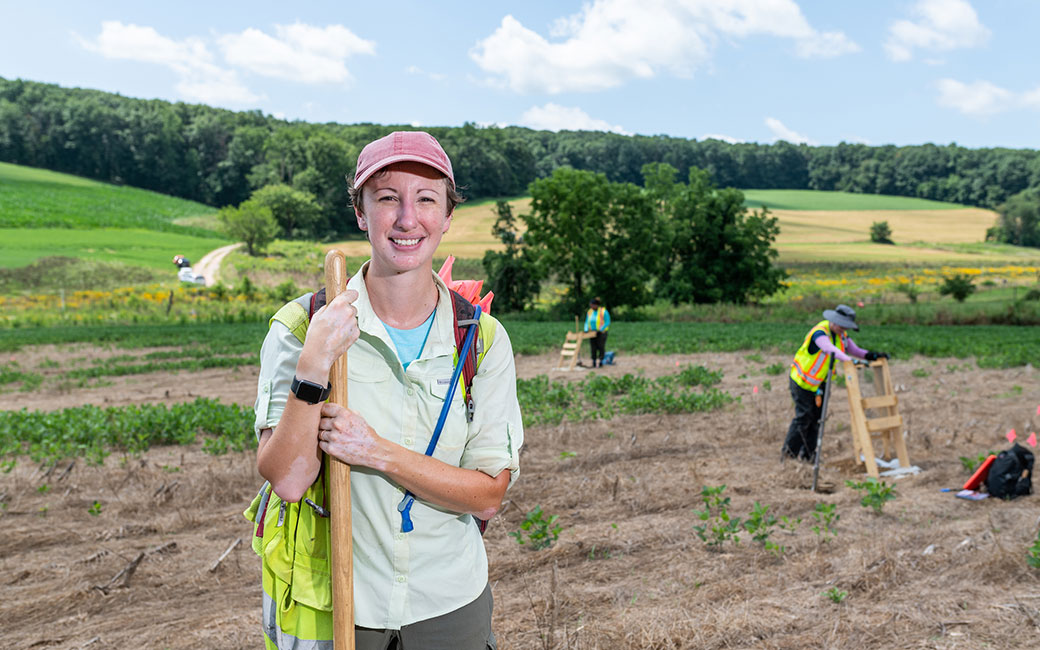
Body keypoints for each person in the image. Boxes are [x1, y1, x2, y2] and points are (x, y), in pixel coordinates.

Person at [251, 131, 524, 650]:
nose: (406, 218)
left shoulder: (481, 338)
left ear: (446, 216)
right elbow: (287, 480)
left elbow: (488, 496)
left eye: (426, 199)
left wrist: (374, 452)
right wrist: (314, 364)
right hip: (339, 607)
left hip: (450, 608)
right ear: (360, 213)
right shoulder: (301, 327)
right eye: (386, 198)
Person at [781, 304, 888, 462]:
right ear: (835, 321)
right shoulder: (820, 333)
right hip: (802, 382)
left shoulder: (842, 336)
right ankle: (789, 455)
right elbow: (830, 349)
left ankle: (808, 456)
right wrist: (849, 360)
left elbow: (855, 350)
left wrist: (872, 355)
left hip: (820, 384)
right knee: (803, 418)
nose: (844, 330)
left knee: (817, 419)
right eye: (843, 326)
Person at [583, 297, 611, 368]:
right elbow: (587, 322)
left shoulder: (603, 311)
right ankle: (594, 361)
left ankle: (601, 361)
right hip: (592, 332)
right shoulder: (589, 312)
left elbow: (607, 321)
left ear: (596, 305)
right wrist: (586, 329)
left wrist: (601, 329)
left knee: (601, 346)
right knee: (593, 347)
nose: (591, 306)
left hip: (601, 332)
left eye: (592, 305)